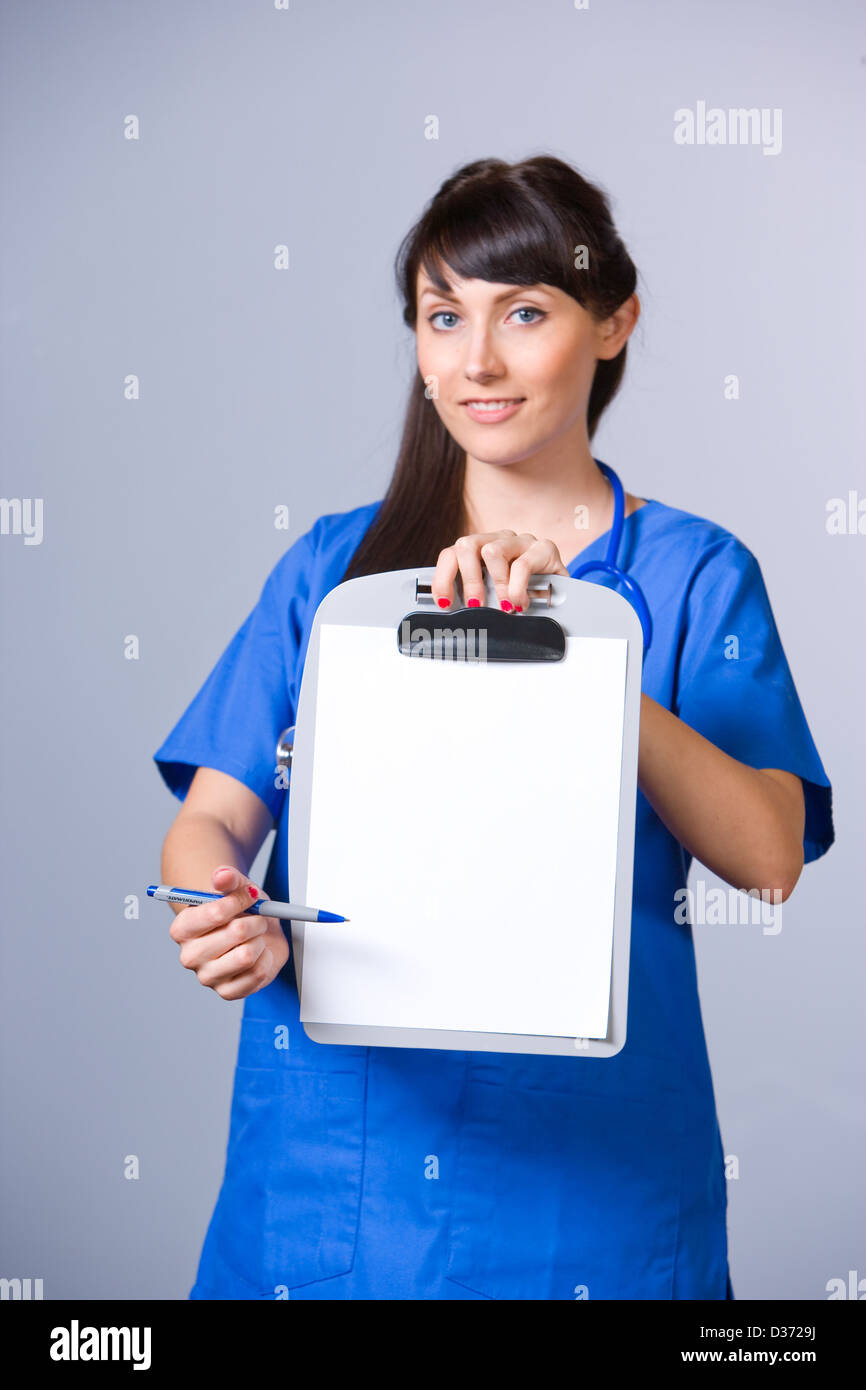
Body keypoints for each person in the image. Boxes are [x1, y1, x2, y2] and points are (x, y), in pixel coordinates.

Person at [153, 155, 834, 1300]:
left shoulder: (688, 577)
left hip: (590, 1184)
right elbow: (211, 819)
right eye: (440, 316)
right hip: (334, 1171)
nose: (475, 360)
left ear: (612, 323)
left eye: (524, 312)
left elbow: (766, 860)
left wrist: (577, 644)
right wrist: (212, 905)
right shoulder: (332, 570)